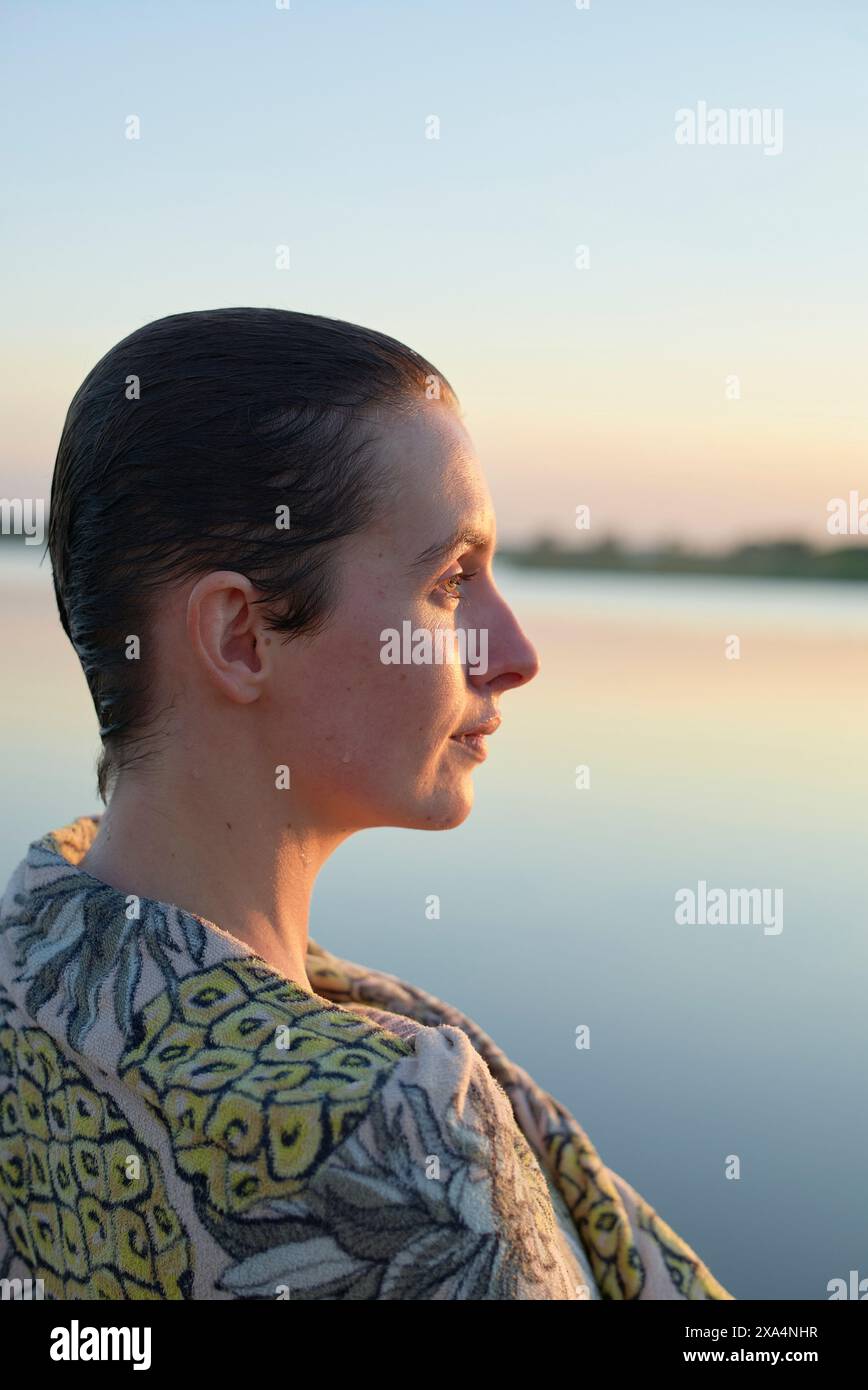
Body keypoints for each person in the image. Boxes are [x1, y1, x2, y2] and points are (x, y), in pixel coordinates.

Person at [0, 308, 733, 1300]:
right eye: (450, 580)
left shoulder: (28, 970)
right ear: (242, 637)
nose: (513, 653)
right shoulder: (397, 1139)